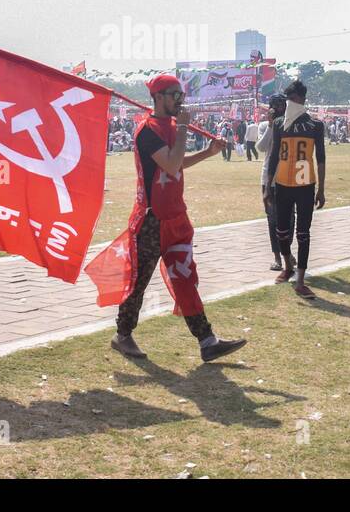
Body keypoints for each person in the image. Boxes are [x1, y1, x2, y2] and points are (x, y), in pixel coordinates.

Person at [110, 74, 246, 363]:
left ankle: (207, 340)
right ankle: (123, 335)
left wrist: (208, 153)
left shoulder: (169, 126)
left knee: (184, 279)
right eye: (174, 95)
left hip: (176, 216)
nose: (180, 100)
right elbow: (171, 165)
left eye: (181, 95)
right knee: (139, 281)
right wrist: (183, 127)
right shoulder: (146, 131)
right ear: (158, 97)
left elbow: (177, 161)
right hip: (151, 221)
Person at [264, 79, 326, 299]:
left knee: (303, 232)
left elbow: (320, 158)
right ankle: (288, 263)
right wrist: (268, 185)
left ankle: (300, 279)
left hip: (305, 184)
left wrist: (321, 188)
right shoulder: (280, 124)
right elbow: (273, 157)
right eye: (287, 99)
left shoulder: (315, 125)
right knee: (281, 229)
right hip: (282, 183)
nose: (289, 102)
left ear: (301, 99)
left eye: (292, 99)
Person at [256, 94, 287, 272]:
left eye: (281, 106)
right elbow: (261, 147)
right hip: (268, 178)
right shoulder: (263, 126)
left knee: (289, 219)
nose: (278, 109)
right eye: (275, 106)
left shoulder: (289, 125)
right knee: (272, 220)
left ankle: (286, 252)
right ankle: (278, 257)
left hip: (288, 177)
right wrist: (269, 124)